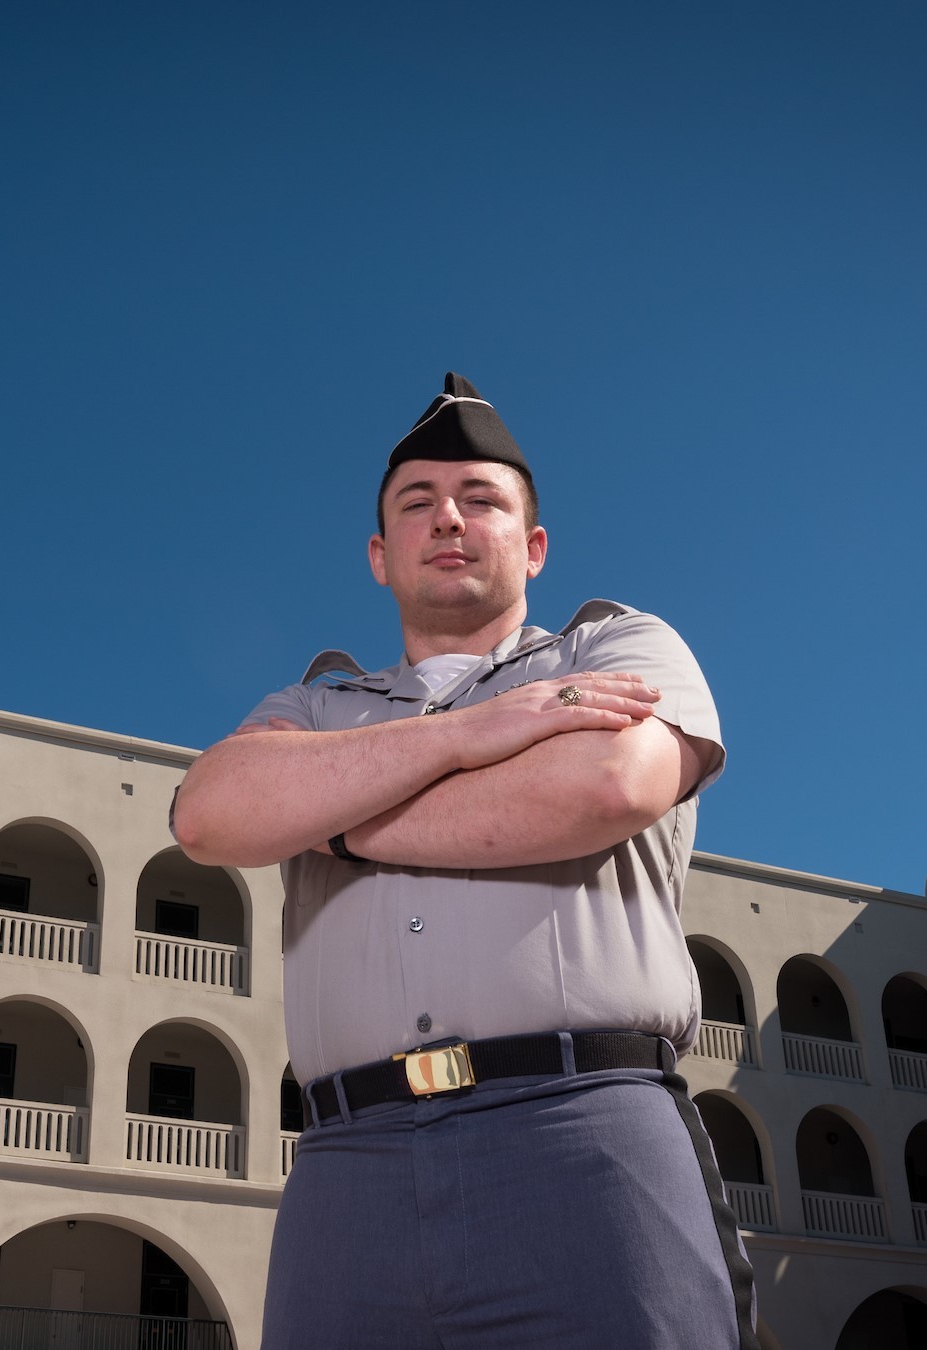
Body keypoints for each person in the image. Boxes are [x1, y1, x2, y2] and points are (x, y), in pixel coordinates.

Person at [171, 373, 754, 1349]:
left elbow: (606, 784)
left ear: (533, 548)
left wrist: (337, 821)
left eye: (481, 500)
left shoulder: (611, 649)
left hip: (583, 1136)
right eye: (418, 504)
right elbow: (212, 813)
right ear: (378, 555)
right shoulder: (314, 705)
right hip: (346, 1162)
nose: (448, 517)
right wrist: (475, 736)